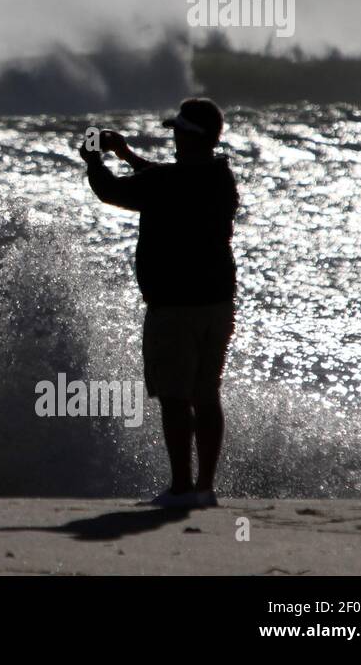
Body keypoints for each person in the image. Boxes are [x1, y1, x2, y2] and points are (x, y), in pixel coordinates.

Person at [79, 97, 239, 509]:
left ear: (189, 137)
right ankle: (205, 487)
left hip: (175, 307)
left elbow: (111, 190)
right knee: (206, 395)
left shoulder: (167, 183)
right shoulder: (221, 178)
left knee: (174, 396)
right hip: (216, 303)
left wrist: (95, 160)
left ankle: (181, 488)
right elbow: (165, 179)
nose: (174, 139)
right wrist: (127, 153)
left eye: (178, 133)